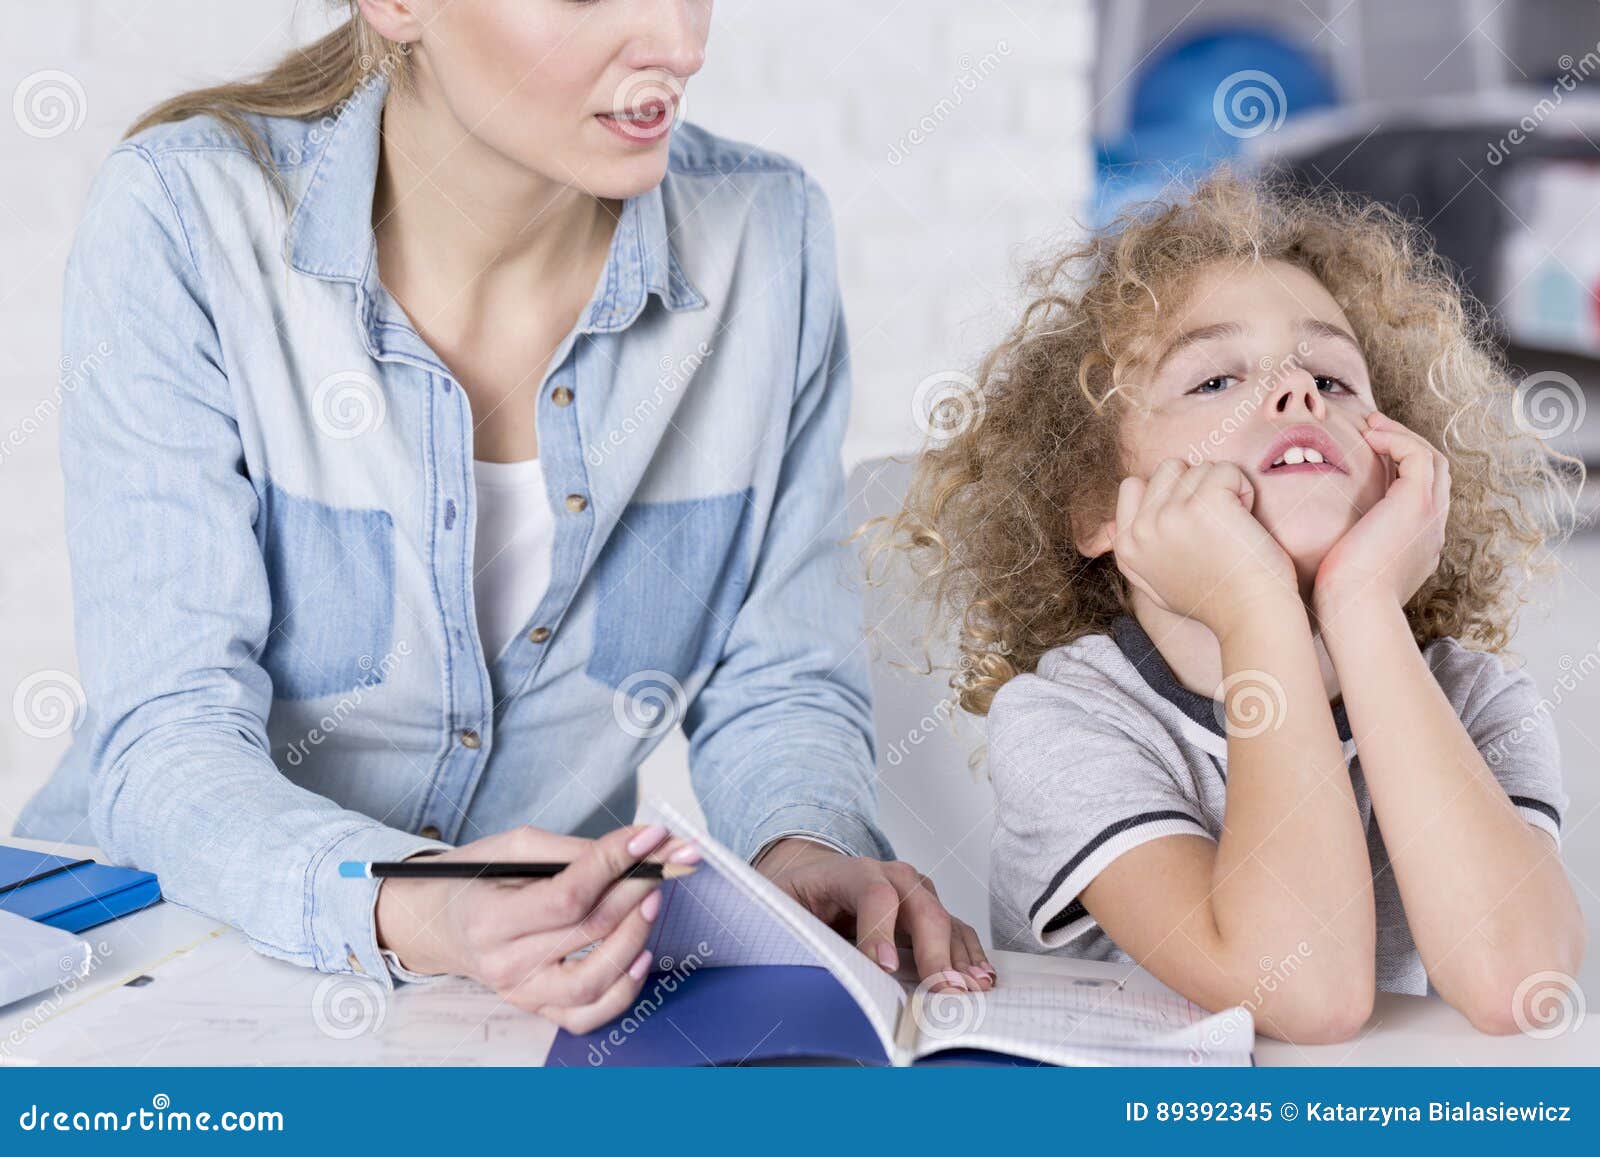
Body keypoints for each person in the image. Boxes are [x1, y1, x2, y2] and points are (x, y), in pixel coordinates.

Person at [14, 0, 992, 1035]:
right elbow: (168, 738)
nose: (679, 43)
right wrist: (419, 904)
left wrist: (801, 848)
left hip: (516, 1012)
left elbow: (778, 677)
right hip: (153, 969)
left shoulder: (767, 235)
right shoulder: (185, 216)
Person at [880, 169, 1584, 1043]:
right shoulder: (1069, 719)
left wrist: (1363, 605)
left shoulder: (1475, 700)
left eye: (1332, 377)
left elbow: (1519, 983)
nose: (1297, 394)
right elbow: (1305, 993)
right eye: (1215, 381)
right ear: (1100, 503)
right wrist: (1258, 609)